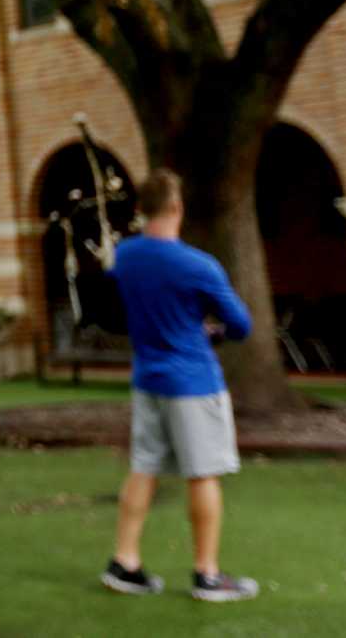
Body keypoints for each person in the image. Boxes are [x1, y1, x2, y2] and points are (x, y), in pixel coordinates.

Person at [101, 167, 259, 602]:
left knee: (144, 466)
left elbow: (114, 303)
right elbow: (241, 325)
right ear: (177, 208)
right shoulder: (198, 266)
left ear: (139, 210)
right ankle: (207, 575)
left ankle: (124, 562)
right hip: (192, 382)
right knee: (203, 473)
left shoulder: (126, 256)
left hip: (147, 379)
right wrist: (212, 332)